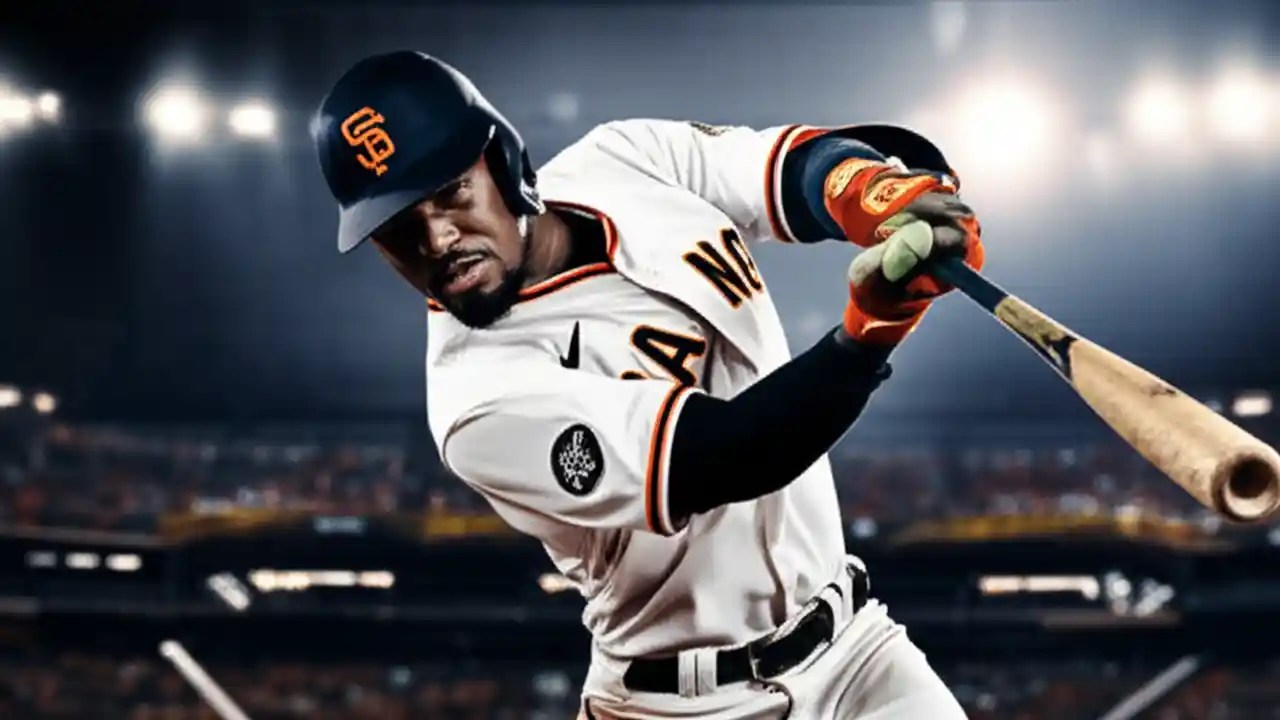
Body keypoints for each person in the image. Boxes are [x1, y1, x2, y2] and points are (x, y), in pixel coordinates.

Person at [311, 50, 983, 719]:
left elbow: (789, 172)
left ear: (502, 159)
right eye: (397, 227)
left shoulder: (623, 157)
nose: (437, 239)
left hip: (857, 652)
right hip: (686, 705)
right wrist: (870, 331)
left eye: (451, 191)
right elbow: (725, 456)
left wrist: (871, 192)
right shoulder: (474, 403)